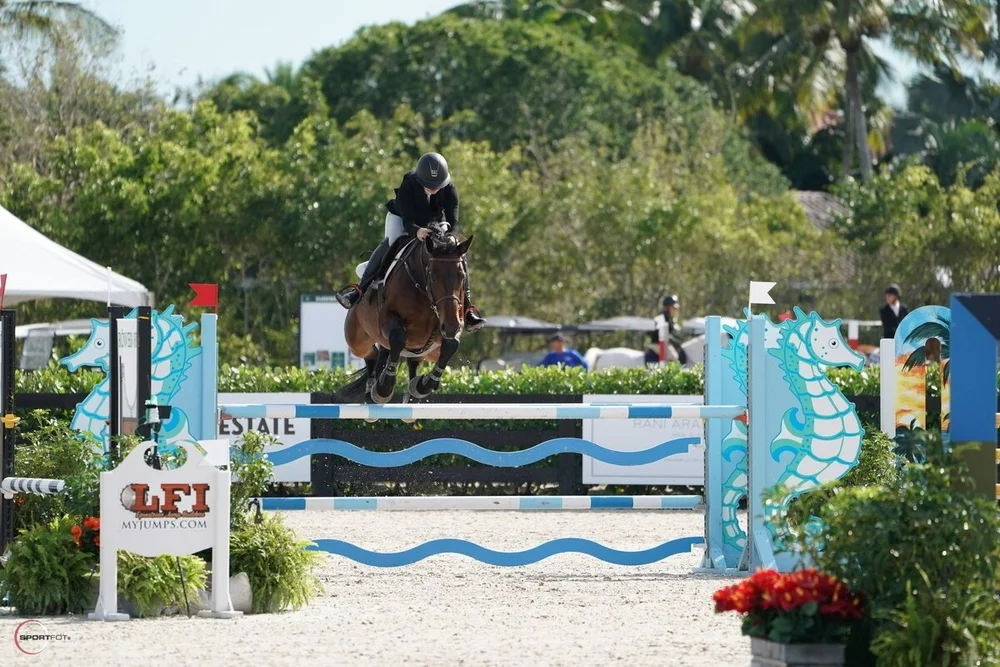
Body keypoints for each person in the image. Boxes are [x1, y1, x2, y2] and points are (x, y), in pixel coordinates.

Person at [334, 152, 486, 332]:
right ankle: (359, 290)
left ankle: (468, 309)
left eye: (437, 185)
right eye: (429, 185)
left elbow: (454, 222)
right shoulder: (409, 184)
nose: (434, 189)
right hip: (403, 219)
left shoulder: (450, 189)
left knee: (456, 256)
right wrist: (418, 231)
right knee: (392, 242)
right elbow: (408, 221)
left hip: (436, 224)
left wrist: (452, 237)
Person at [645, 294, 688, 365]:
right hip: (657, 344)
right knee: (675, 358)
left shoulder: (668, 318)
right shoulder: (662, 318)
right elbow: (654, 333)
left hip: (664, 344)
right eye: (673, 307)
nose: (675, 310)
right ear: (668, 307)